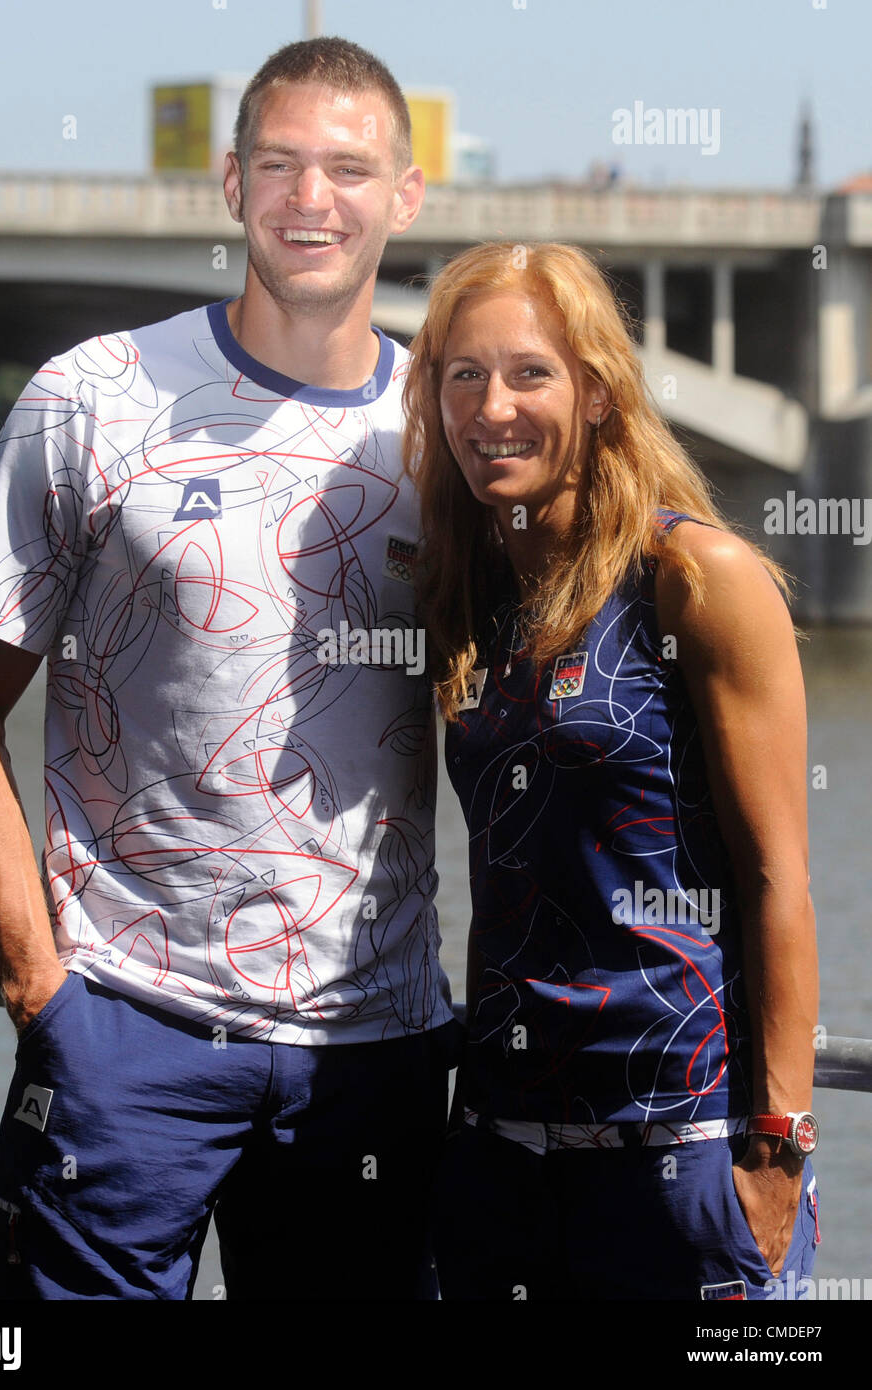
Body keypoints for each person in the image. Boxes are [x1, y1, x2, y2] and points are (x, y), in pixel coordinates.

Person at [0, 36, 458, 1302]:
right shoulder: (91, 400)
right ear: (230, 184)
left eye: (347, 167)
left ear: (407, 195)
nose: (310, 198)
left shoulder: (451, 431)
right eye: (278, 164)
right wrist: (45, 998)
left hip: (370, 1059)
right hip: (124, 1036)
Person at [402, 241, 820, 1300]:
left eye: (529, 373)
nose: (492, 405)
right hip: (499, 1148)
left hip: (681, 1153)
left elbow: (779, 879)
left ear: (595, 391)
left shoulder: (694, 580)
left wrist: (775, 1150)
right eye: (464, 375)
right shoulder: (471, 593)